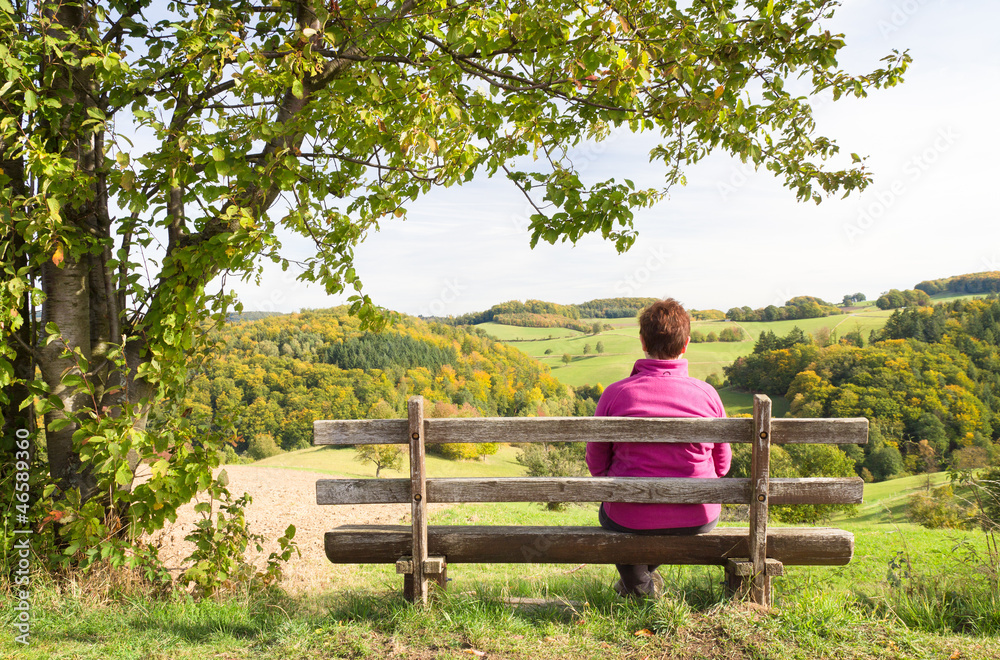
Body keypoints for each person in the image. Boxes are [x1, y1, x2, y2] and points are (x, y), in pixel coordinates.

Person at [586, 298, 731, 598]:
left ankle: (639, 589)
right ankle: (639, 588)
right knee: (640, 516)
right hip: (698, 516)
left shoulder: (615, 394)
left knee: (619, 514)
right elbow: (722, 466)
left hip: (630, 517)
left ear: (642, 341)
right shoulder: (707, 395)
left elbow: (597, 467)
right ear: (686, 344)